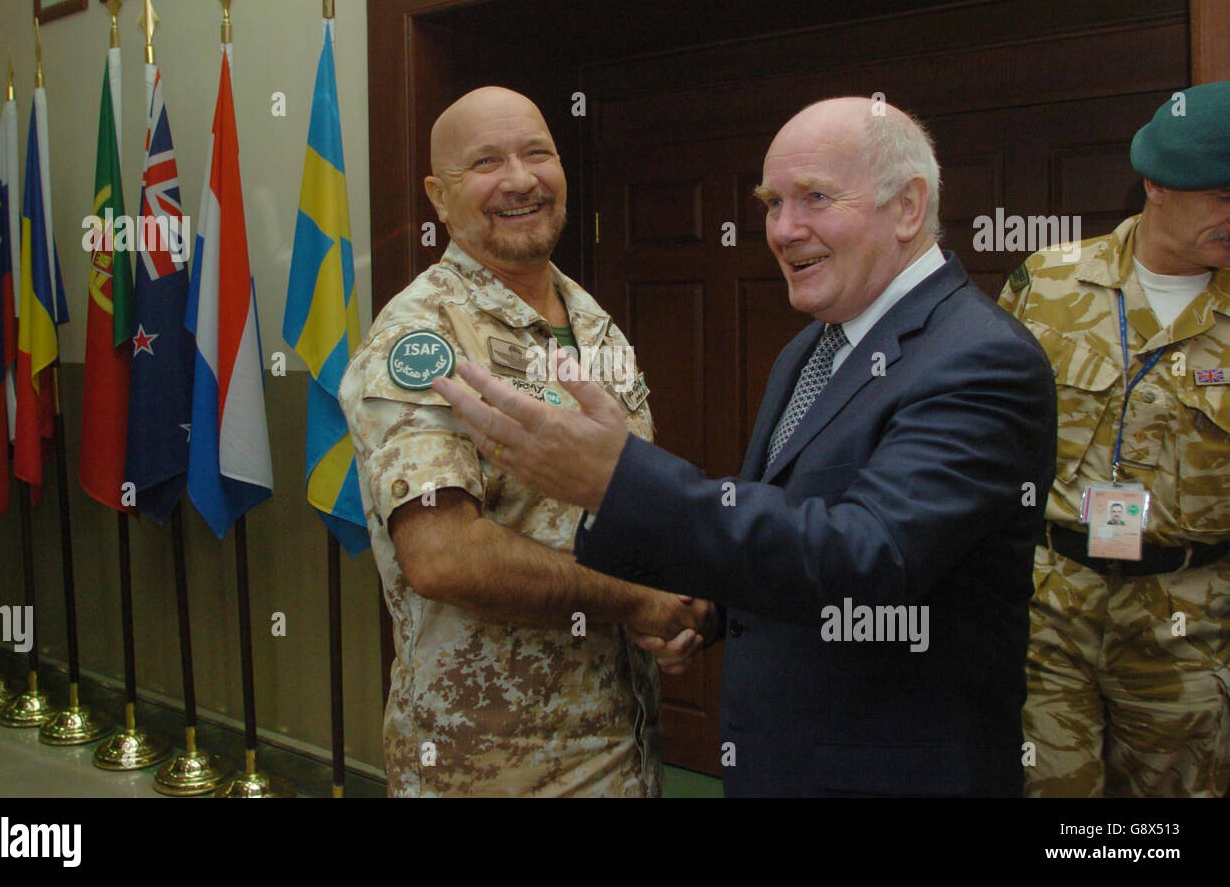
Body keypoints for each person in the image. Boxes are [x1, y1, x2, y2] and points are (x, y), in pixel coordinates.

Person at [434, 97, 1058, 797]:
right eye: (772, 203)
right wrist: (707, 611)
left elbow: (869, 558)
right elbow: (789, 527)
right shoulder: (812, 349)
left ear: (909, 207)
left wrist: (618, 480)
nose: (784, 230)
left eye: (815, 198)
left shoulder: (980, 359)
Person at [338, 86, 711, 797]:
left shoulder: (594, 323)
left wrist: (677, 601)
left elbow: (622, 498)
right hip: (495, 768)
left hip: (623, 749)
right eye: (485, 163)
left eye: (537, 153)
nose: (520, 179)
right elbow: (443, 556)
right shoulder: (421, 338)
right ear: (438, 197)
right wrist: (637, 601)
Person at [998, 81, 1230, 798]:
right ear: (1156, 183)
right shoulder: (1048, 282)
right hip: (1049, 608)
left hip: (1189, 623)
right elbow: (986, 434)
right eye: (1223, 196)